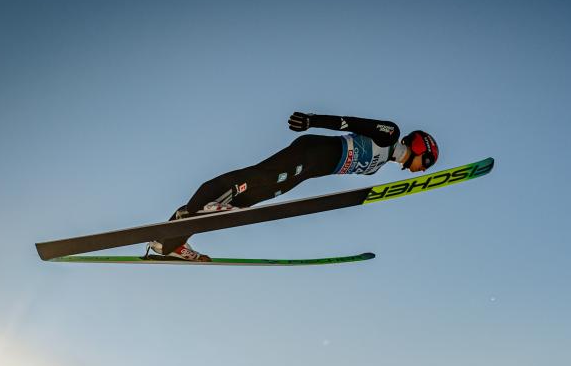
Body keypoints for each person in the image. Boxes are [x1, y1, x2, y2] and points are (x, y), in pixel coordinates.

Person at [152, 112, 439, 261]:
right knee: (257, 178)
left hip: (307, 172)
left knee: (251, 198)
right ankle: (206, 205)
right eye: (427, 162)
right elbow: (350, 122)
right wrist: (313, 120)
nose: (424, 169)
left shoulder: (380, 164)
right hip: (309, 153)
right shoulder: (391, 134)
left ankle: (169, 243)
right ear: (420, 148)